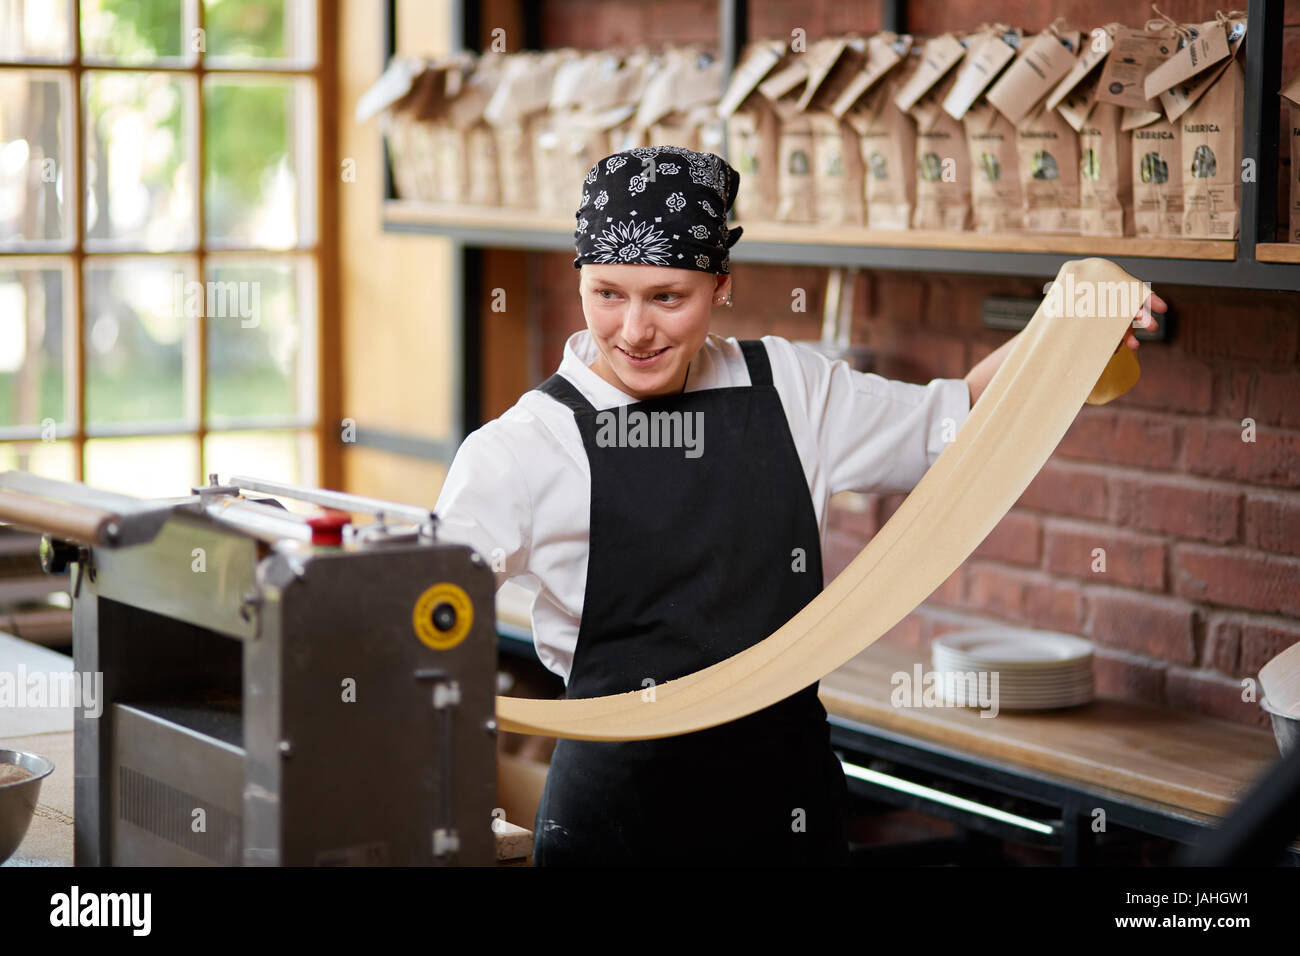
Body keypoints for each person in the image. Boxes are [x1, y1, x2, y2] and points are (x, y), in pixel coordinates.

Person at [434, 145, 1163, 866]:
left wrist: (1074, 324)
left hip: (786, 801)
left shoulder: (788, 386)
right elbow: (424, 629)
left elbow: (960, 420)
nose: (634, 331)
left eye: (667, 297)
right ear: (581, 279)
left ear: (721, 286)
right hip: (620, 817)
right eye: (607, 294)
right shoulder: (521, 449)